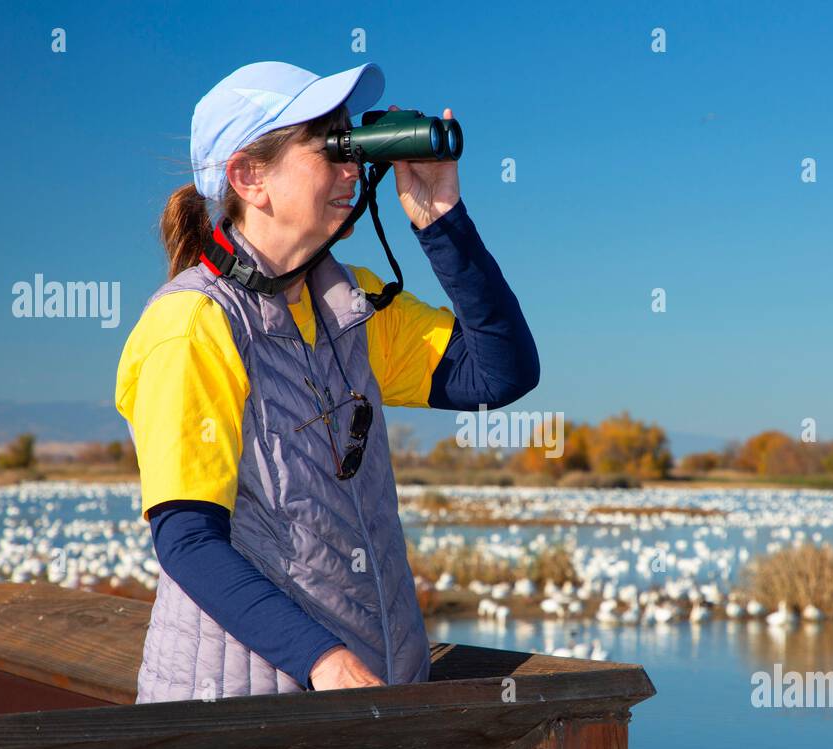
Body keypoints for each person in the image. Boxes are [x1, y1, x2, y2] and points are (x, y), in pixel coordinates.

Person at [114, 61, 538, 699]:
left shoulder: (350, 303)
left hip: (363, 703)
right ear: (250, 178)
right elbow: (187, 541)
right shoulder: (192, 324)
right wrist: (323, 660)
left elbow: (500, 372)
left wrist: (441, 219)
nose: (352, 168)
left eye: (353, 145)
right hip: (238, 724)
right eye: (330, 147)